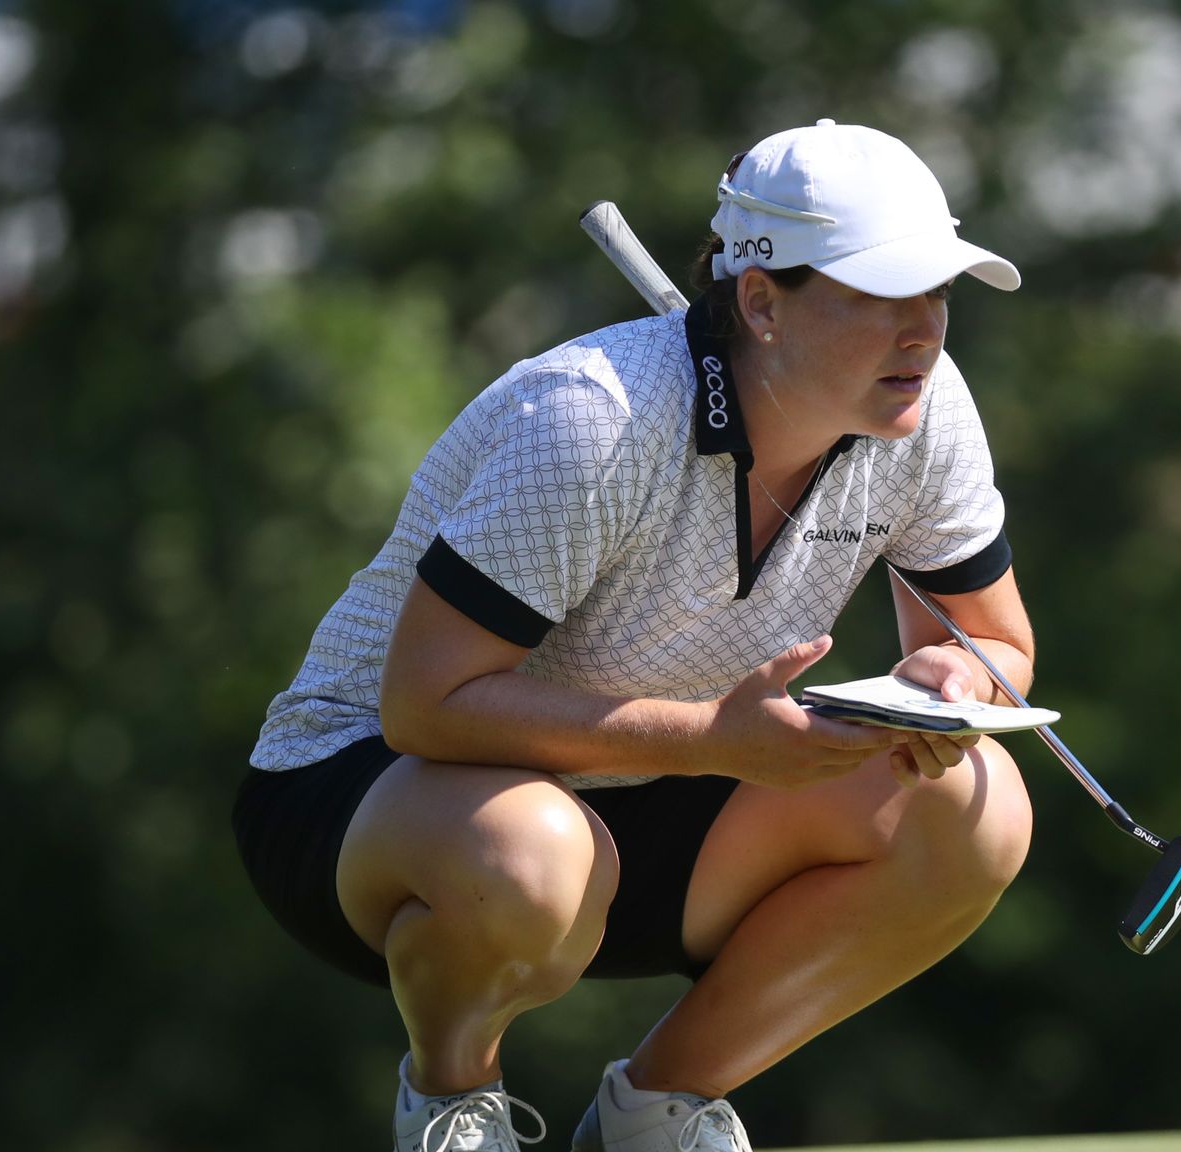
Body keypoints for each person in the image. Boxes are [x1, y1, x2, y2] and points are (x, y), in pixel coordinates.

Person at [233, 119, 1038, 1152]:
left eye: (935, 293)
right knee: (532, 852)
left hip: (651, 803)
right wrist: (706, 739)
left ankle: (653, 1114)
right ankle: (449, 1101)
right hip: (372, 798)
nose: (922, 330)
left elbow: (995, 642)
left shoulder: (922, 411)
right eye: (881, 296)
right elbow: (423, 704)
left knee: (971, 810)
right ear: (759, 301)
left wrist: (953, 680)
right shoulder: (591, 418)